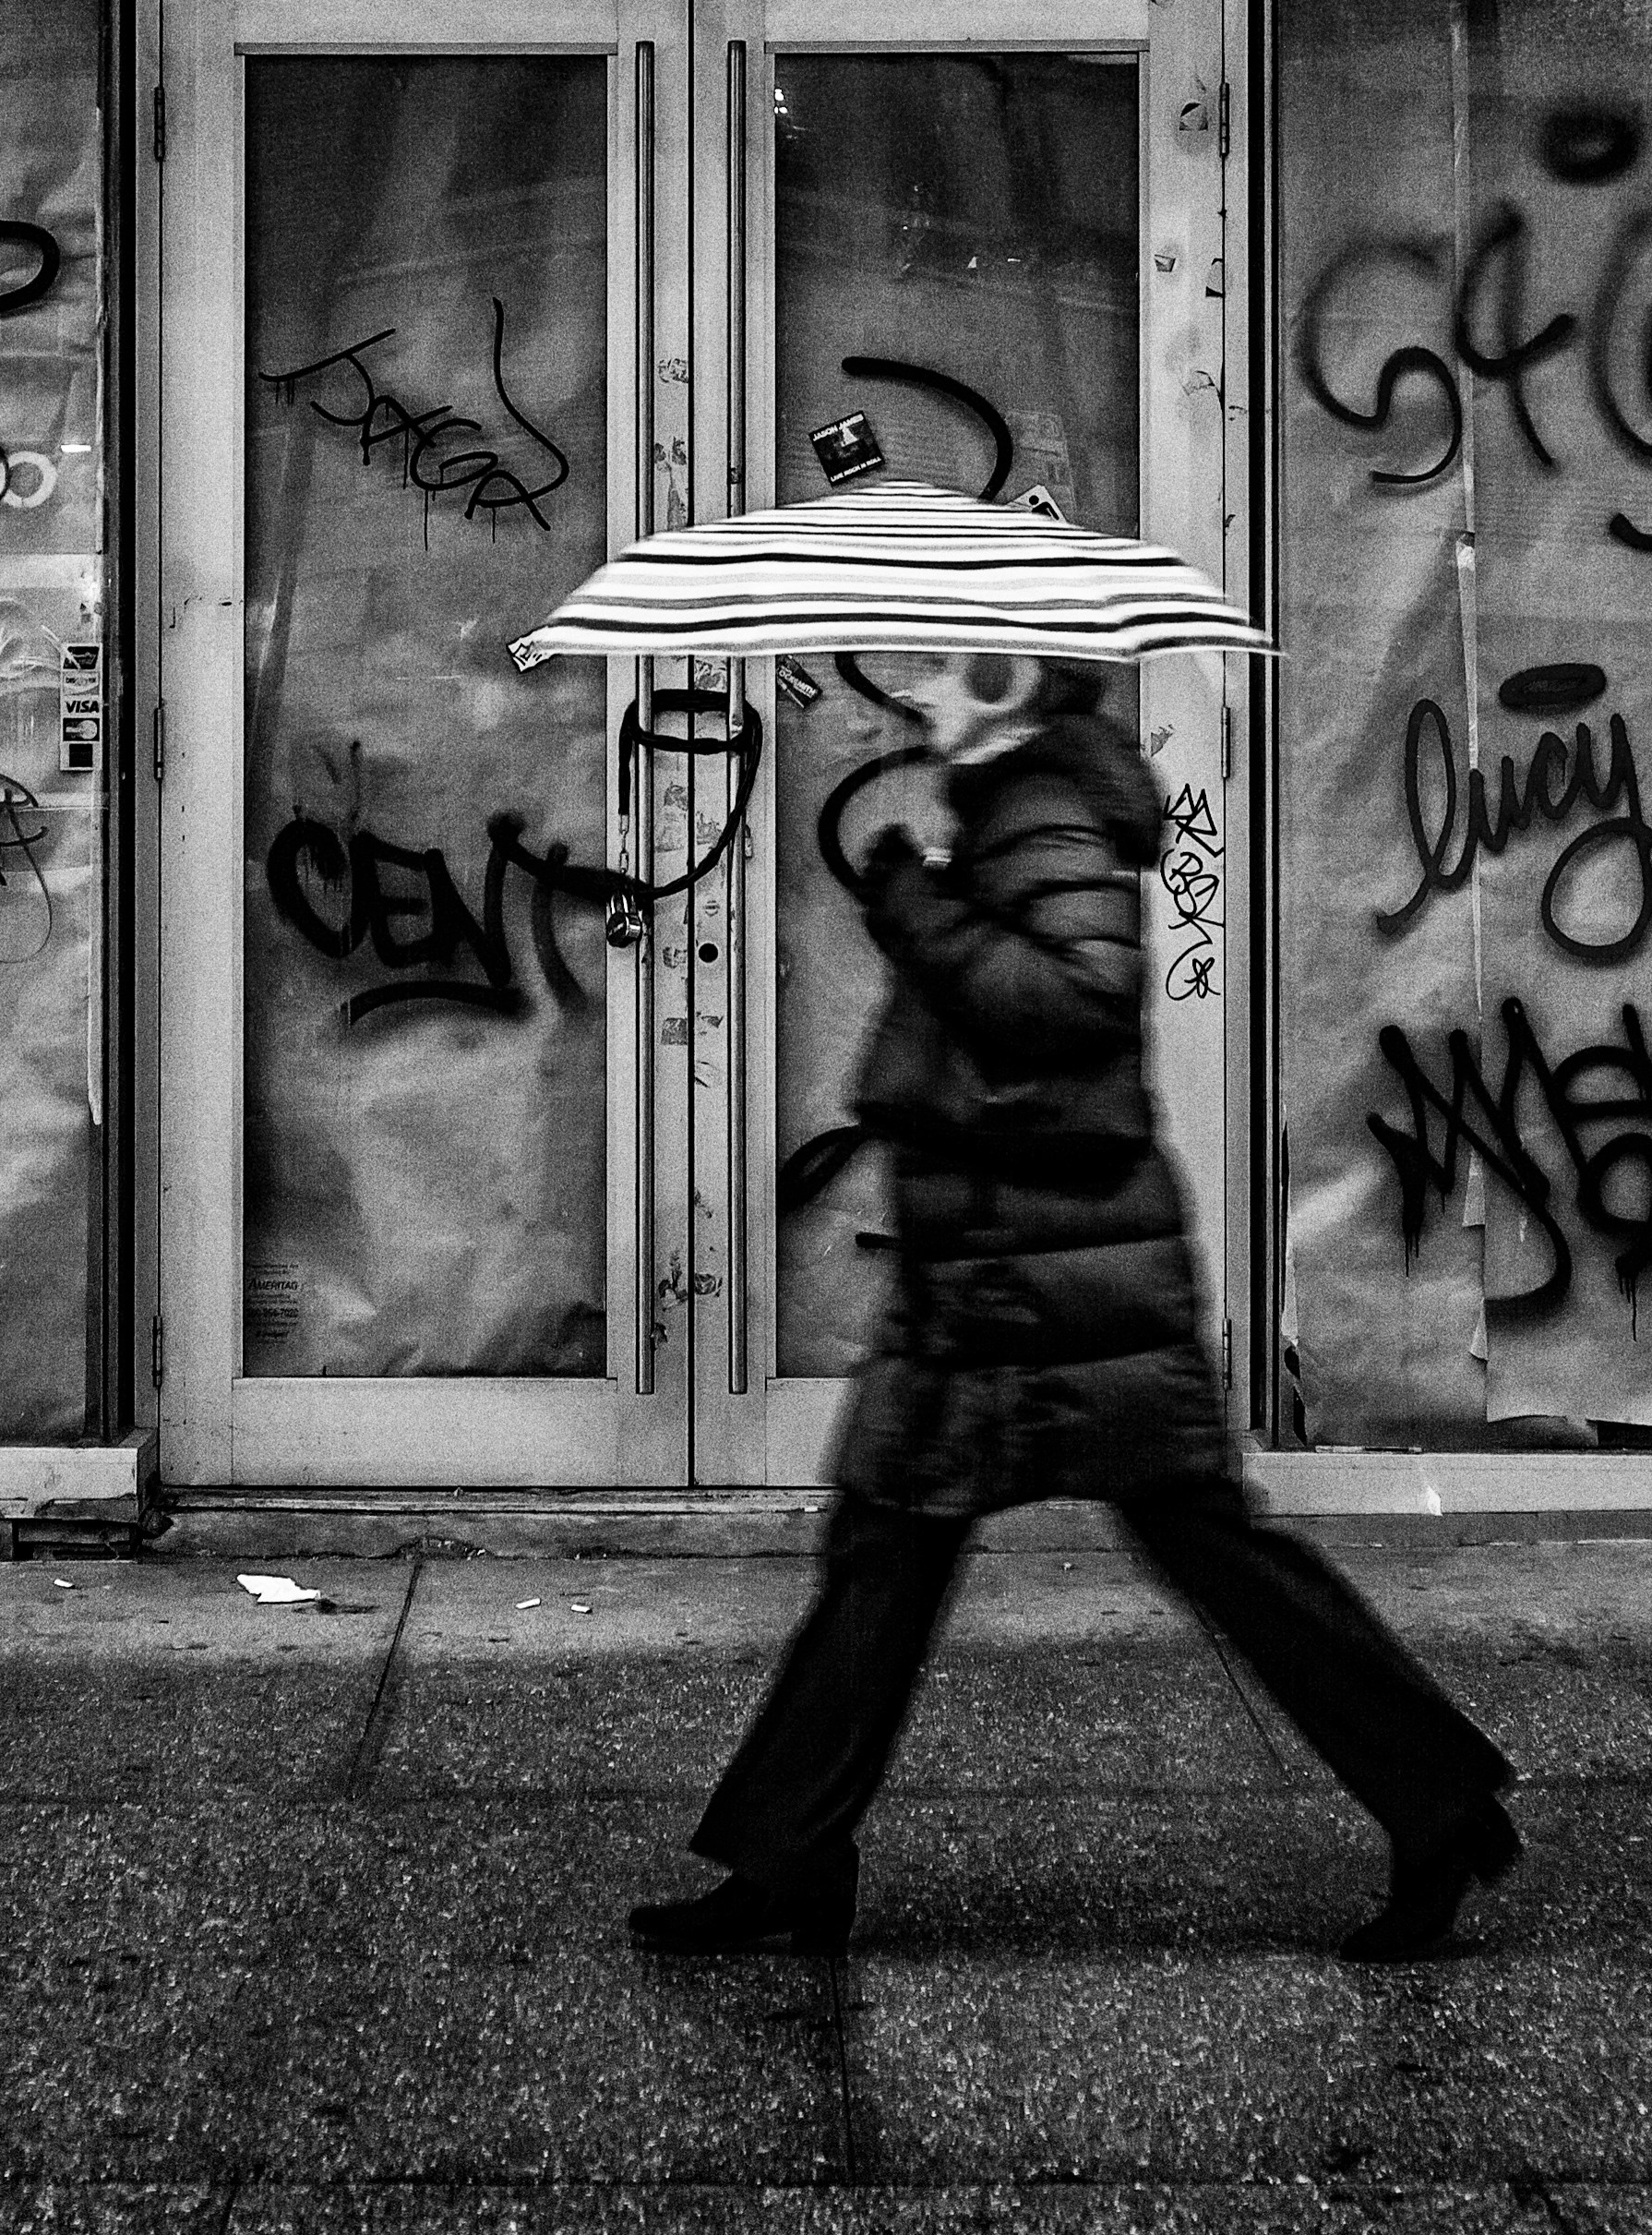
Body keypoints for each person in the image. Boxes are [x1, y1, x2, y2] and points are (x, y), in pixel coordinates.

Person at [633, 647, 1520, 1963]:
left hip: (1062, 1278)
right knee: (886, 1549)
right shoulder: (1013, 806)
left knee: (1201, 1544)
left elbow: (1080, 998)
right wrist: (933, 895)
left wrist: (916, 912)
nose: (916, 697)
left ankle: (1441, 1807)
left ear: (1007, 685)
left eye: (939, 676)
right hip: (998, 1273)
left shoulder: (1045, 807)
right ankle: (789, 1856)